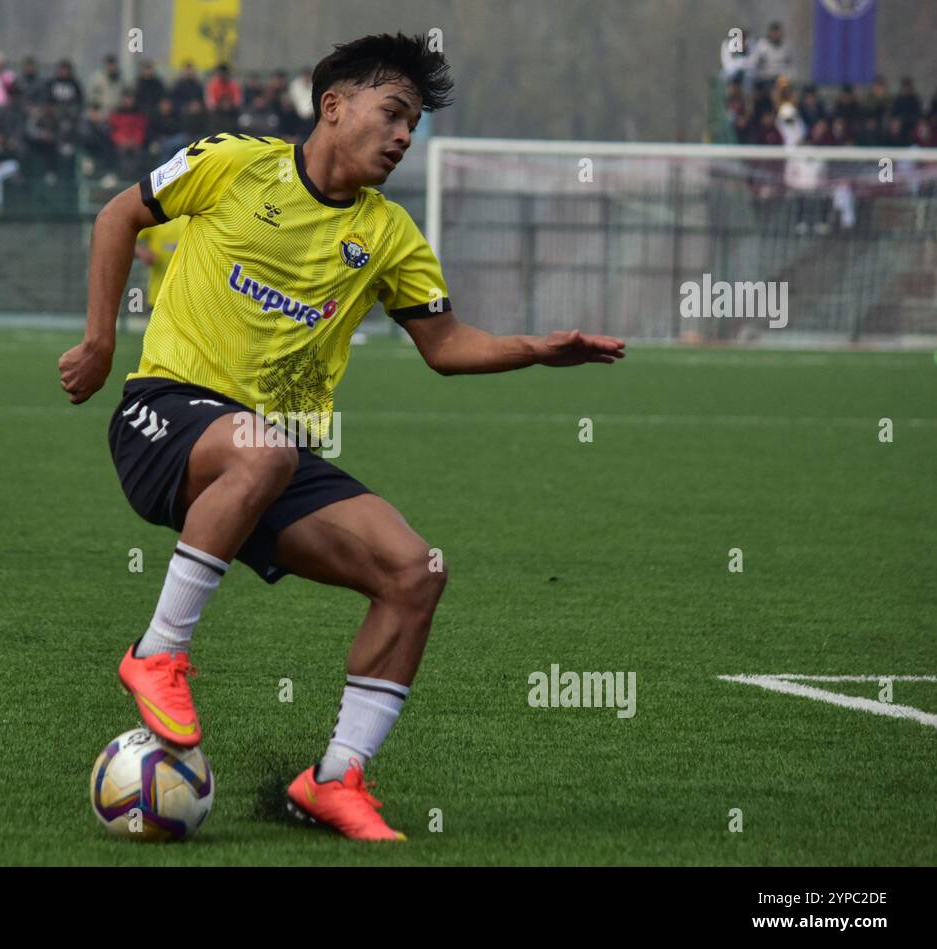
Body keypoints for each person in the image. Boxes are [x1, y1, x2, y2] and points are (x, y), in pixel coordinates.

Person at [56, 33, 625, 842]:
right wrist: (102, 342)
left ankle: (333, 779)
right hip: (165, 417)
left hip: (269, 456)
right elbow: (121, 214)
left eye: (413, 127)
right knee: (266, 448)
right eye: (393, 114)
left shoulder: (388, 234)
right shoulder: (233, 161)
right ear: (334, 106)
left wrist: (539, 348)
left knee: (413, 570)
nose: (402, 137)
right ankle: (157, 653)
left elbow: (445, 345)